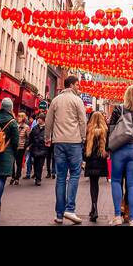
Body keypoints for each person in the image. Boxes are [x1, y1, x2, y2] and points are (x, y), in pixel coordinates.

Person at [44, 74, 88, 224]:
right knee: (75, 174)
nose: (79, 88)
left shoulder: (55, 100)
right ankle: (70, 209)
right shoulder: (77, 100)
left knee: (61, 177)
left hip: (58, 142)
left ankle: (59, 214)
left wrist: (47, 137)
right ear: (71, 85)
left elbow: (48, 121)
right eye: (77, 85)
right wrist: (83, 137)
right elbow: (83, 121)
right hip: (74, 142)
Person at [107, 84, 133, 225]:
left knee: (116, 181)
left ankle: (118, 216)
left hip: (119, 148)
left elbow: (111, 129)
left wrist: (109, 148)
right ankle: (132, 219)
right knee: (132, 184)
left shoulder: (119, 109)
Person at [84, 107, 110, 222]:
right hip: (100, 161)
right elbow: (108, 147)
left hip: (90, 161)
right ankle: (94, 208)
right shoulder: (105, 131)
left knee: (92, 184)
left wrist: (84, 159)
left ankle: (94, 207)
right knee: (96, 185)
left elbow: (84, 149)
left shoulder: (88, 130)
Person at [27, 112, 48, 185]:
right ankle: (36, 175)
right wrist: (28, 145)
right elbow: (30, 138)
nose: (38, 120)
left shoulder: (47, 128)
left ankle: (38, 179)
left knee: (40, 164)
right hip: (35, 149)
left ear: (43, 120)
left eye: (40, 118)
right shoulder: (35, 128)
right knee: (35, 164)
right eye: (38, 118)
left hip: (43, 149)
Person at [11, 111, 30, 184]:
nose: (19, 118)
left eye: (21, 117)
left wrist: (26, 146)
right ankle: (12, 176)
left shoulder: (26, 127)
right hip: (13, 146)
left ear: (23, 118)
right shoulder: (14, 125)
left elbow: (28, 137)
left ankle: (17, 178)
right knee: (12, 162)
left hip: (21, 147)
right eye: (18, 116)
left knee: (19, 163)